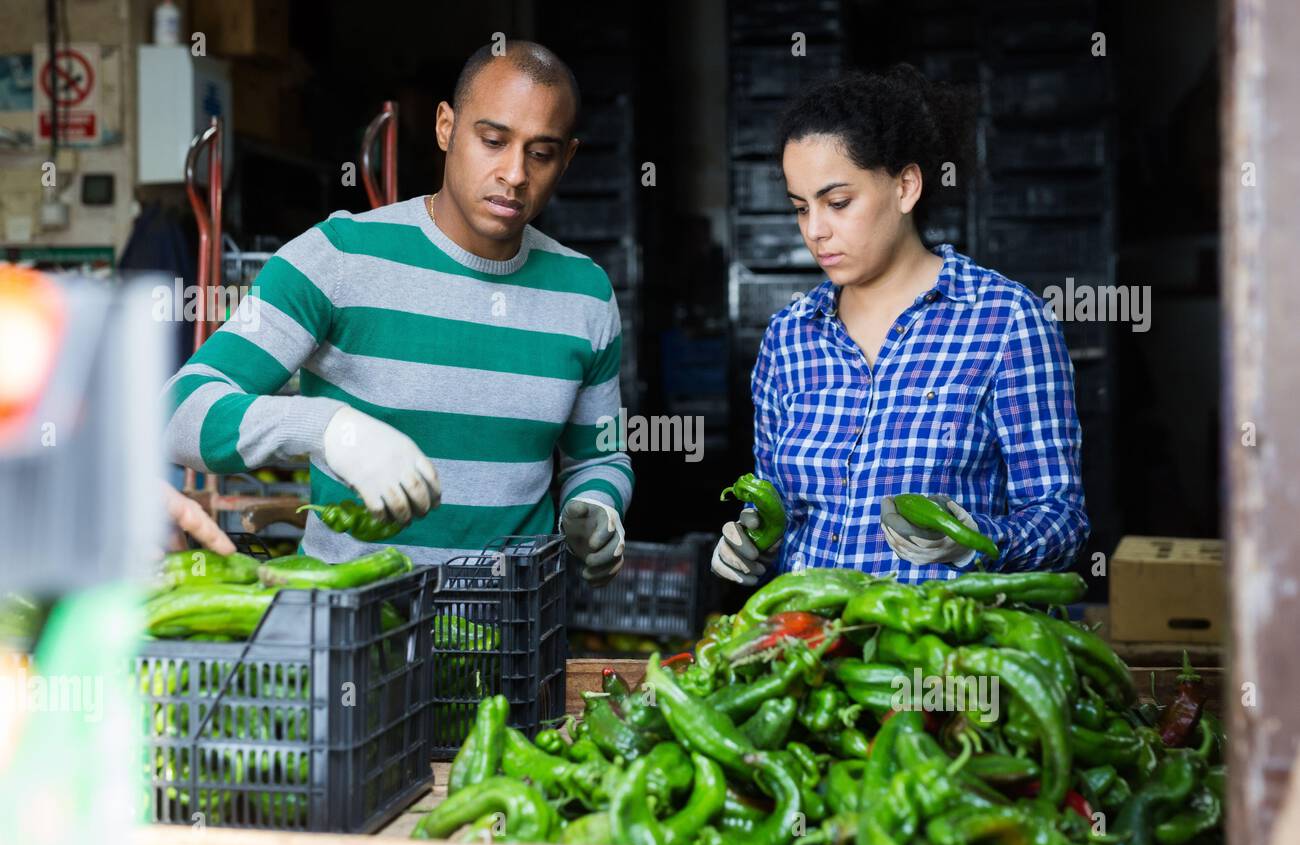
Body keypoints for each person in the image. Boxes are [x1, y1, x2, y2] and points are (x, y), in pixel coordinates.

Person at [162, 42, 632, 585]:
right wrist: (329, 429)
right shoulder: (336, 258)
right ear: (445, 127)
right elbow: (179, 412)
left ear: (567, 158)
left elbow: (600, 456)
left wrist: (599, 507)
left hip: (516, 640)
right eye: (493, 140)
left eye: (541, 153)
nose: (514, 173)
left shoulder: (586, 294)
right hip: (358, 640)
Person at [713, 65, 1088, 586]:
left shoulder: (1005, 322)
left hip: (940, 654)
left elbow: (1062, 521)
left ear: (906, 186)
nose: (815, 230)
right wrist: (752, 541)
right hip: (809, 647)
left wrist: (974, 539)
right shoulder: (788, 338)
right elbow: (779, 511)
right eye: (801, 208)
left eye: (838, 202)